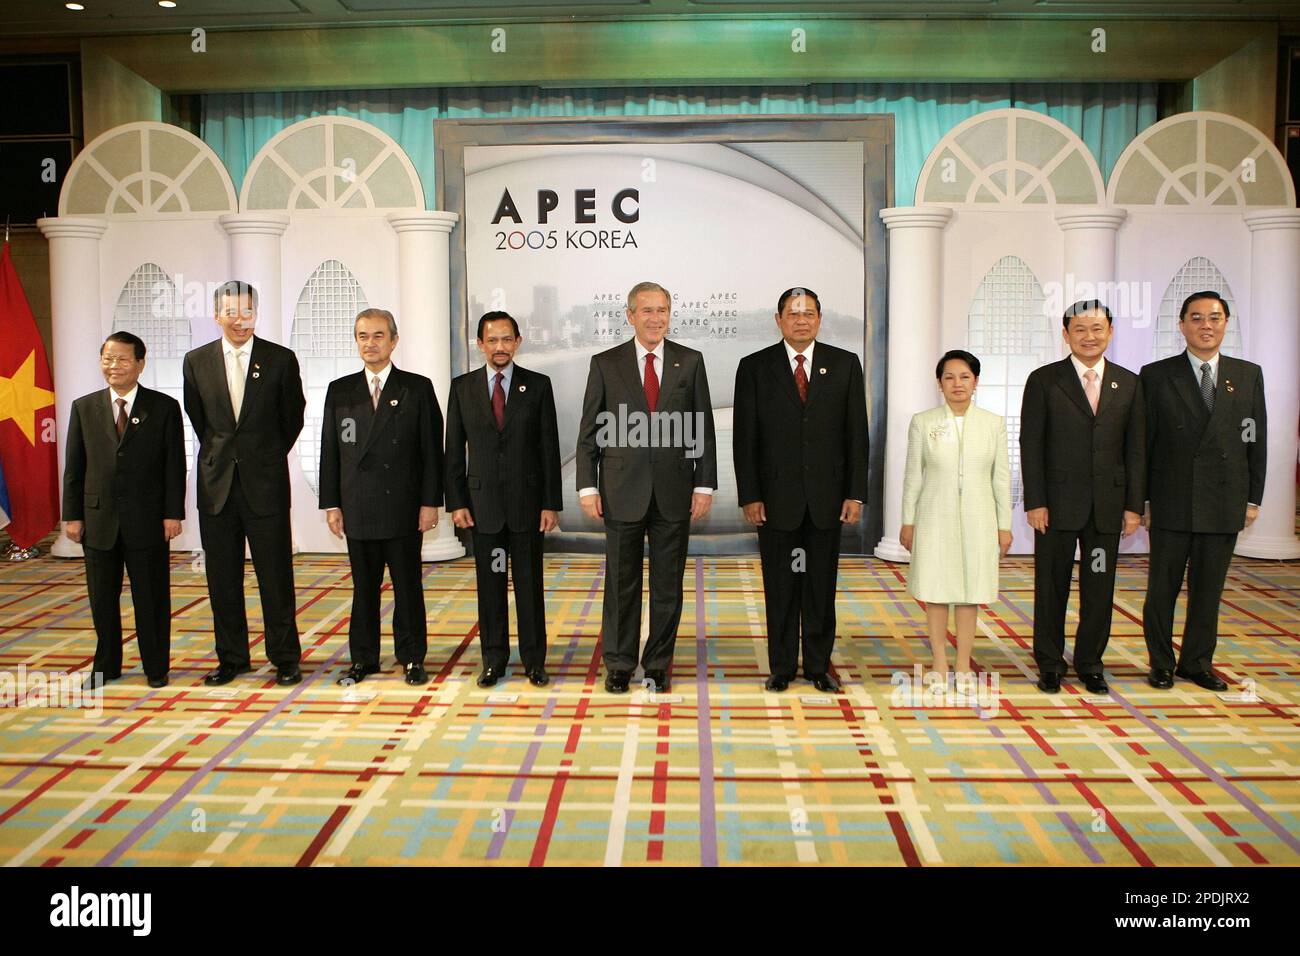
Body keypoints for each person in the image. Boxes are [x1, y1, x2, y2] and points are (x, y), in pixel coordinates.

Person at [575, 280, 718, 694]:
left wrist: (704, 484)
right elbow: (589, 431)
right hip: (620, 492)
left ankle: (657, 664)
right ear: (630, 315)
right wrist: (588, 487)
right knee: (621, 584)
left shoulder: (690, 361)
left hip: (675, 491)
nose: (655, 318)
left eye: (662, 310)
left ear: (670, 314)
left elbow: (701, 426)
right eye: (647, 311)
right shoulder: (605, 363)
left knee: (668, 584)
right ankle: (619, 664)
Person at [732, 287, 869, 693]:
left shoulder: (843, 365)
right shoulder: (755, 367)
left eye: (809, 313)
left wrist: (854, 493)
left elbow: (855, 436)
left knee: (818, 585)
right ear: (778, 320)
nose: (802, 320)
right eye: (793, 314)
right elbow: (745, 438)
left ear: (820, 318)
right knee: (782, 584)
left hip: (827, 502)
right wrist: (750, 495)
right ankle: (780, 667)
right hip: (776, 503)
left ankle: (817, 666)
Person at [1140, 291, 1266, 691]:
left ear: (1226, 323)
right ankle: (1161, 661)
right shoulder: (1156, 375)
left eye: (1214, 317)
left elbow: (1255, 440)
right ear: (1182, 325)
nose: (1206, 325)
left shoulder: (1247, 374)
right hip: (1170, 499)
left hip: (1223, 499)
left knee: (1208, 591)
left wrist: (1253, 498)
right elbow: (1144, 443)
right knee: (1162, 588)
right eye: (1196, 317)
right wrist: (1141, 501)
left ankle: (1196, 662)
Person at [182, 280, 306, 686]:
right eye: (230, 313)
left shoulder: (280, 359)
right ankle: (232, 658)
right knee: (222, 579)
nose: (239, 320)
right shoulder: (196, 361)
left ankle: (285, 658)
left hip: (265, 483)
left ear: (257, 313)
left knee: (275, 575)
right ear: (217, 315)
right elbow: (201, 421)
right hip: (216, 486)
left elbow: (293, 418)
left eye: (247, 312)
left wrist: (264, 455)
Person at [1020, 300, 1145, 695]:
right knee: (1051, 585)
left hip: (1106, 509)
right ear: (1065, 334)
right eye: (1080, 329)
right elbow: (1031, 444)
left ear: (1110, 332)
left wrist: (1133, 506)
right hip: (1055, 507)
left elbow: (1136, 450)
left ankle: (1090, 662)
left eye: (1097, 328)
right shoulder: (1044, 380)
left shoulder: (1128, 383)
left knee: (1098, 586)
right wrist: (1035, 501)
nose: (1089, 336)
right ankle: (1050, 663)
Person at [319, 308, 443, 686]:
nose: (369, 344)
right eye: (362, 336)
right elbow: (330, 450)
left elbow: (431, 451)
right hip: (357, 505)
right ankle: (364, 659)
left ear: (393, 340)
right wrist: (331, 503)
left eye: (377, 336)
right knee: (364, 588)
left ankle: (411, 657)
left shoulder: (416, 388)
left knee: (408, 588)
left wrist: (429, 502)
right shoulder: (340, 390)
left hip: (404, 507)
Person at [445, 311, 563, 688]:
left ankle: (534, 661)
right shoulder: (462, 388)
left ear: (518, 342)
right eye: (492, 340)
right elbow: (453, 451)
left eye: (506, 339)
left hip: (528, 510)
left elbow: (549, 449)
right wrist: (457, 502)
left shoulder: (538, 385)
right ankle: (493, 660)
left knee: (529, 587)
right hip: (484, 512)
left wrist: (550, 504)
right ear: (479, 344)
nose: (499, 347)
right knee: (491, 587)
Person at [63, 331, 184, 689]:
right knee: (102, 598)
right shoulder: (84, 407)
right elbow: (75, 466)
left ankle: (156, 667)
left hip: (147, 519)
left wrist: (172, 513)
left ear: (140, 364)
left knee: (151, 596)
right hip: (97, 519)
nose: (114, 366)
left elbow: (173, 466)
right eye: (107, 359)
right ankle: (106, 665)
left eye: (122, 359)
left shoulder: (163, 408)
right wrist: (72, 515)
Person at [900, 350, 1012, 684]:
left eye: (964, 377)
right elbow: (912, 477)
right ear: (939, 383)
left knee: (969, 592)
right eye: (949, 377)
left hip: (980, 519)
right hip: (934, 517)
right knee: (935, 590)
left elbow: (1001, 479)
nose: (957, 384)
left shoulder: (993, 423)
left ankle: (963, 663)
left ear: (975, 381)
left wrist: (1004, 525)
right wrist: (908, 520)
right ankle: (939, 663)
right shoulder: (924, 422)